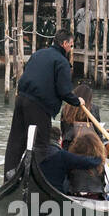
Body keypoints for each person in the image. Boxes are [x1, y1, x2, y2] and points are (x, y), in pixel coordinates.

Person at [4, 28, 80, 177]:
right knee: (40, 144)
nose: (71, 49)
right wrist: (77, 101)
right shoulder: (62, 62)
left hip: (21, 99)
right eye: (71, 45)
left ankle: (8, 176)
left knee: (16, 140)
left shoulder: (38, 54)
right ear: (64, 43)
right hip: (39, 105)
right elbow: (64, 91)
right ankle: (36, 179)